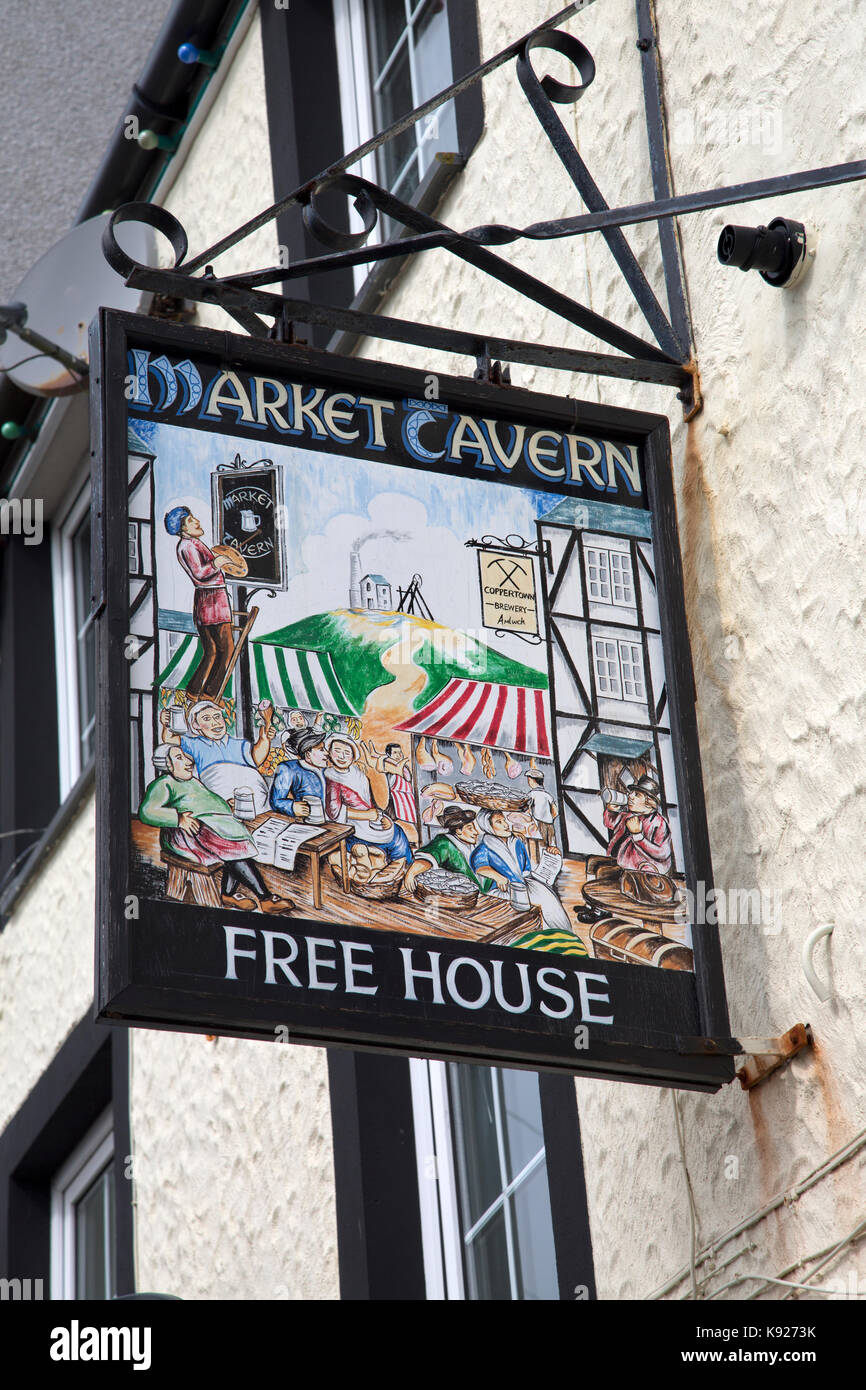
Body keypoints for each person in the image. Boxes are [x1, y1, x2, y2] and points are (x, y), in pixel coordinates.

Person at [139, 744, 294, 913]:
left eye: (185, 756)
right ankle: (265, 898)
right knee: (232, 847)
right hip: (185, 835)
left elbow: (207, 802)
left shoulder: (192, 781)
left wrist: (225, 807)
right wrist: (179, 819)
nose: (188, 761)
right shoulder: (164, 784)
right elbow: (147, 812)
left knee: (234, 844)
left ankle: (228, 895)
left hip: (203, 831)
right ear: (167, 765)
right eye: (179, 758)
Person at [165, 506, 234, 698]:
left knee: (212, 651)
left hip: (208, 599)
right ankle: (209, 694)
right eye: (190, 520)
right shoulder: (188, 546)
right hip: (212, 599)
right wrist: (217, 563)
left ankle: (195, 691)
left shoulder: (190, 544)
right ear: (183, 529)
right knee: (226, 649)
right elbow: (200, 573)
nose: (196, 521)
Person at [160, 698, 272, 814]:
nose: (215, 723)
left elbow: (257, 759)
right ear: (196, 725)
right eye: (206, 719)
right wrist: (166, 723)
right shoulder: (195, 744)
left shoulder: (239, 744)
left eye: (217, 717)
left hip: (251, 792)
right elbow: (169, 738)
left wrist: (265, 735)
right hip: (219, 792)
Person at [471, 809, 572, 932]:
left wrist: (551, 854)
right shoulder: (485, 847)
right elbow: (480, 867)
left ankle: (563, 934)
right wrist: (498, 877)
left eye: (504, 820)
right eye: (499, 822)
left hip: (524, 885)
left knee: (549, 902)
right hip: (503, 891)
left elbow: (526, 870)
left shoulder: (516, 842)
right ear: (488, 827)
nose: (505, 825)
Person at [325, 735, 413, 863]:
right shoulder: (330, 777)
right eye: (337, 751)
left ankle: (404, 867)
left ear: (353, 756)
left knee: (397, 832)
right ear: (329, 753)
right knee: (393, 840)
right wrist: (366, 815)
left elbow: (368, 802)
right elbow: (333, 812)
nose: (342, 756)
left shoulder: (357, 772)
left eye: (347, 753)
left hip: (368, 820)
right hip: (350, 828)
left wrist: (381, 817)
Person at [404, 806, 509, 893]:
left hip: (488, 894)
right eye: (470, 828)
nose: (476, 832)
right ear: (458, 831)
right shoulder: (445, 842)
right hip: (460, 896)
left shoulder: (475, 843)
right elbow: (426, 859)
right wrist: (411, 874)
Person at [603, 773, 672, 875]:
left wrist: (638, 836)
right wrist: (611, 811)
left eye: (637, 795)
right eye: (631, 793)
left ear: (649, 802)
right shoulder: (628, 815)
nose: (630, 796)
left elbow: (663, 853)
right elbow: (610, 823)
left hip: (643, 870)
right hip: (619, 863)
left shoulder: (658, 823)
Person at [270, 727, 329, 818]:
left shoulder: (327, 770)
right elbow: (276, 801)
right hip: (306, 820)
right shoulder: (288, 768)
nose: (327, 753)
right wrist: (292, 807)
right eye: (321, 749)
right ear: (308, 754)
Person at [363, 739, 418, 832]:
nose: (399, 755)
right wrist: (382, 758)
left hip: (408, 802)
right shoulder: (390, 768)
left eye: (400, 752)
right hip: (395, 804)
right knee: (395, 827)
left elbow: (407, 777)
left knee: (411, 826)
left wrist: (383, 757)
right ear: (389, 755)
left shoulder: (403, 768)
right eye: (395, 753)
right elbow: (380, 768)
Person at [526, 771, 558, 849]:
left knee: (540, 846)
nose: (528, 782)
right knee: (551, 847)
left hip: (538, 824)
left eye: (529, 780)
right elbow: (555, 812)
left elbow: (527, 810)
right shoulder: (548, 795)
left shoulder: (531, 794)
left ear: (533, 781)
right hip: (549, 825)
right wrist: (549, 819)